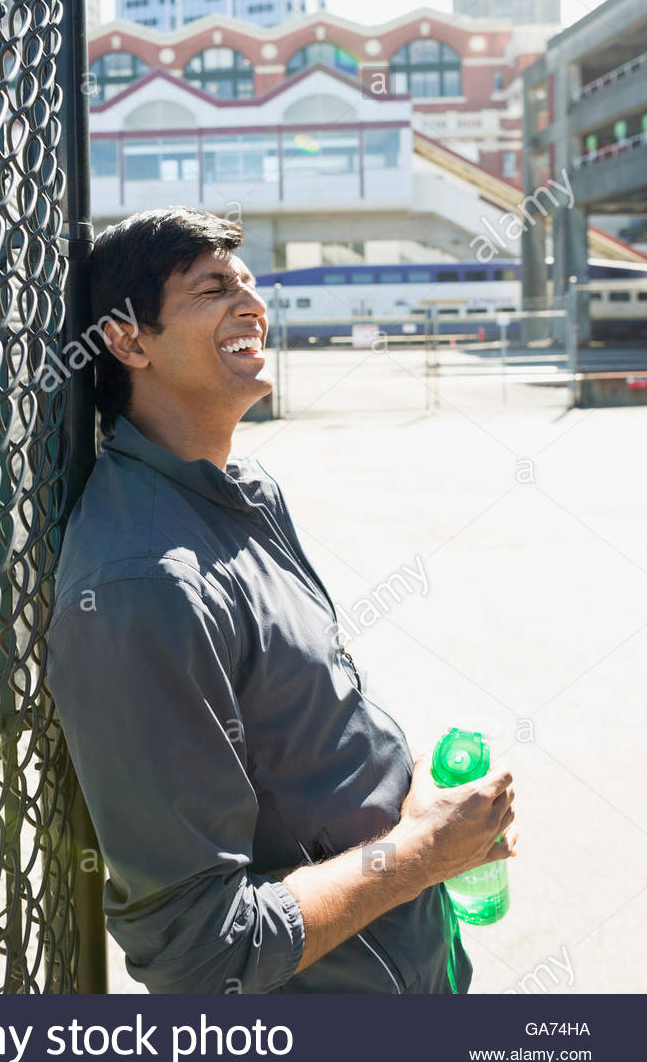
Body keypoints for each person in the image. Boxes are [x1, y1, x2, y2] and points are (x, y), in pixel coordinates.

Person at [47, 207, 517, 994]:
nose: (251, 304)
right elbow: (201, 951)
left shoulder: (243, 492)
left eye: (248, 282)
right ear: (129, 341)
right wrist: (422, 853)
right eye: (211, 289)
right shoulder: (144, 586)